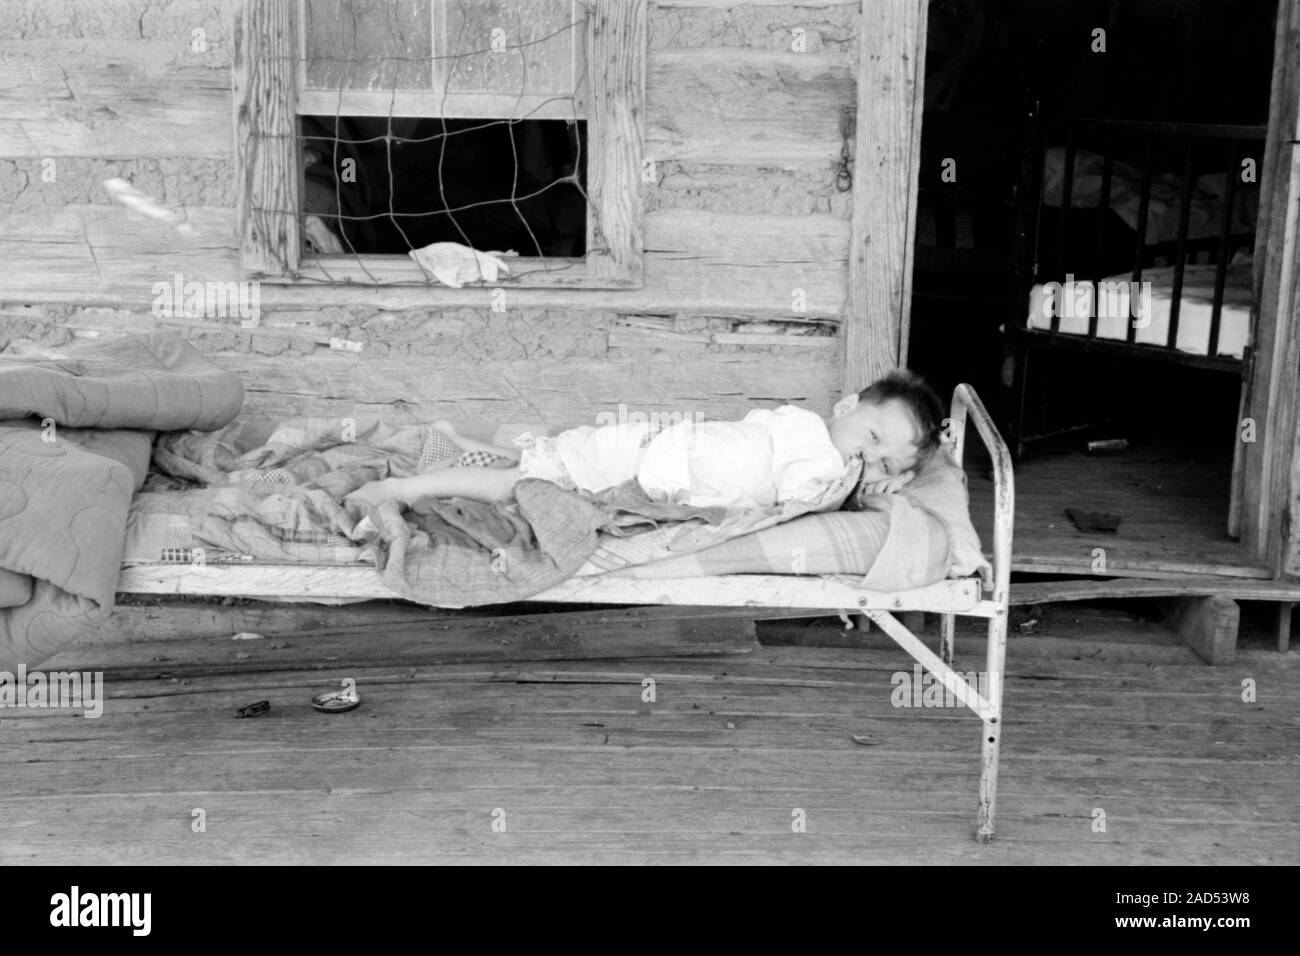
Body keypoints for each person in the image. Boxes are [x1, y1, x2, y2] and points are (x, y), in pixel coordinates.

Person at [344, 370, 945, 512]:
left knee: (550, 463)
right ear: (846, 408)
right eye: (871, 437)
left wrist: (882, 477)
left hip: (654, 449)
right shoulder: (813, 445)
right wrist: (868, 489)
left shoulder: (809, 432)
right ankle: (403, 486)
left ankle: (456, 442)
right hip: (653, 456)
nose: (867, 456)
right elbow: (798, 499)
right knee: (519, 485)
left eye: (884, 458)